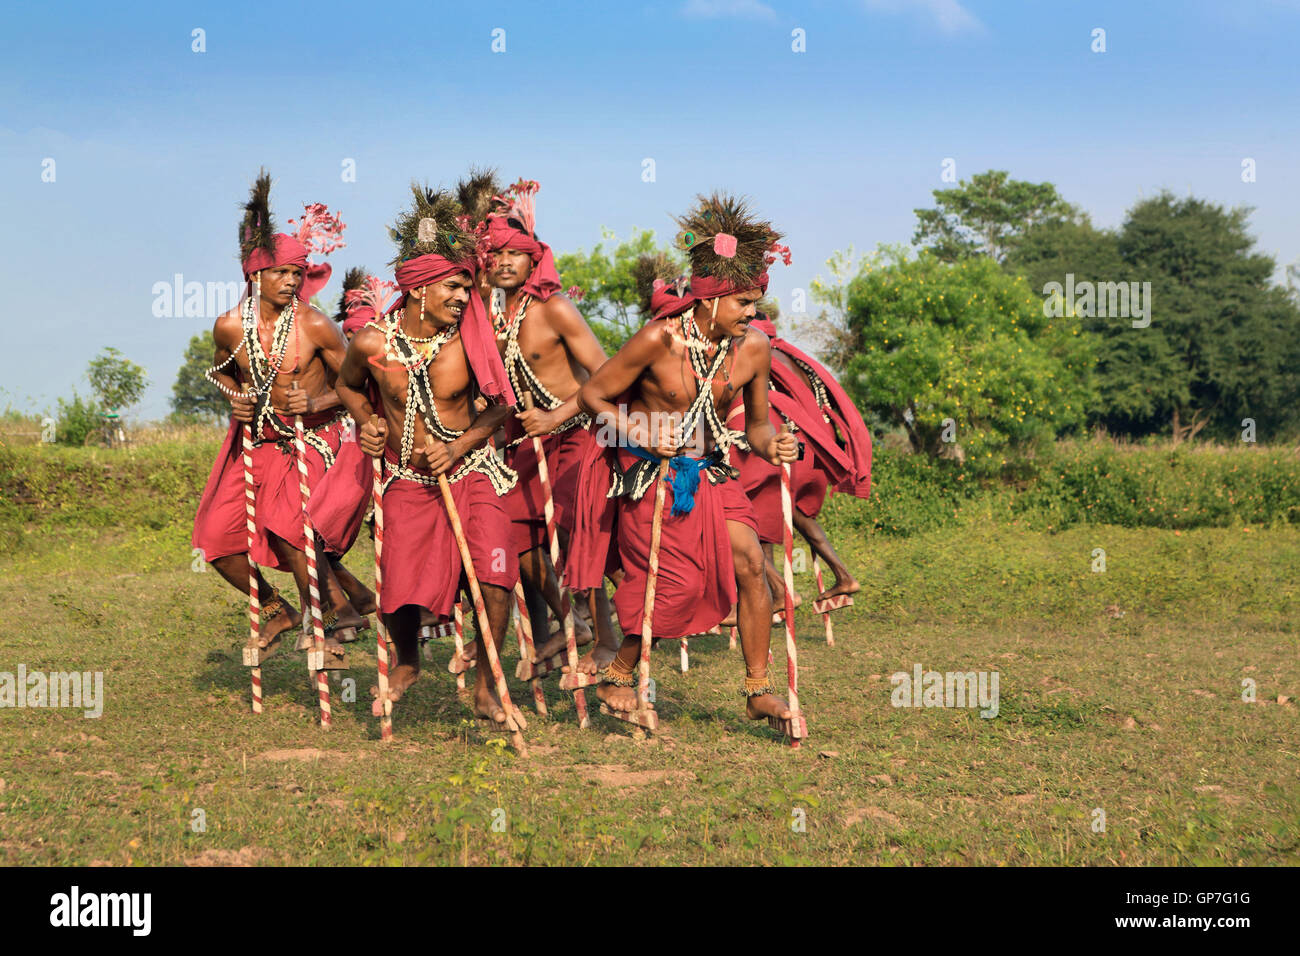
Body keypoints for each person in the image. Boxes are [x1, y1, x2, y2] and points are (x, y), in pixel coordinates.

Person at [572, 193, 799, 734]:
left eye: (756, 303)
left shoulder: (755, 349)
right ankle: (619, 673)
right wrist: (641, 431)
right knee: (672, 585)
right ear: (710, 299)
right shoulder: (659, 340)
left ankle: (758, 691)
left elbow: (760, 426)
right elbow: (594, 397)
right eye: (743, 302)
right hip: (652, 475)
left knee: (749, 562)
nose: (753, 313)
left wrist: (775, 445)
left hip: (711, 468)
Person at [334, 182, 522, 726]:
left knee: (494, 575)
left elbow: (501, 406)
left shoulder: (470, 341)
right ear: (419, 288)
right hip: (404, 480)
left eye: (468, 288)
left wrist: (460, 444)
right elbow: (348, 387)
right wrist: (368, 422)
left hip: (473, 472)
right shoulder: (371, 343)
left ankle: (487, 684)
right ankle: (409, 661)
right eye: (454, 287)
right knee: (399, 587)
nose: (465, 298)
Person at [193, 171, 366, 662]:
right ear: (256, 275)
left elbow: (357, 384)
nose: (292, 282)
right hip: (255, 443)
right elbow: (221, 373)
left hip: (312, 442)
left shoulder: (314, 324)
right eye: (282, 273)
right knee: (216, 541)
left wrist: (316, 403)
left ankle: (331, 618)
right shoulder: (229, 326)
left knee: (290, 529)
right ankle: (277, 610)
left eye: (297, 273)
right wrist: (233, 396)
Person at [479, 178, 619, 674]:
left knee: (578, 533)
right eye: (495, 255)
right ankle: (571, 624)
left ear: (533, 258)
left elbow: (606, 376)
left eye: (516, 253)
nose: (506, 263)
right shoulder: (490, 322)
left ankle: (605, 638)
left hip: (578, 434)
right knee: (516, 537)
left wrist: (557, 415)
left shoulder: (555, 309)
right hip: (524, 444)